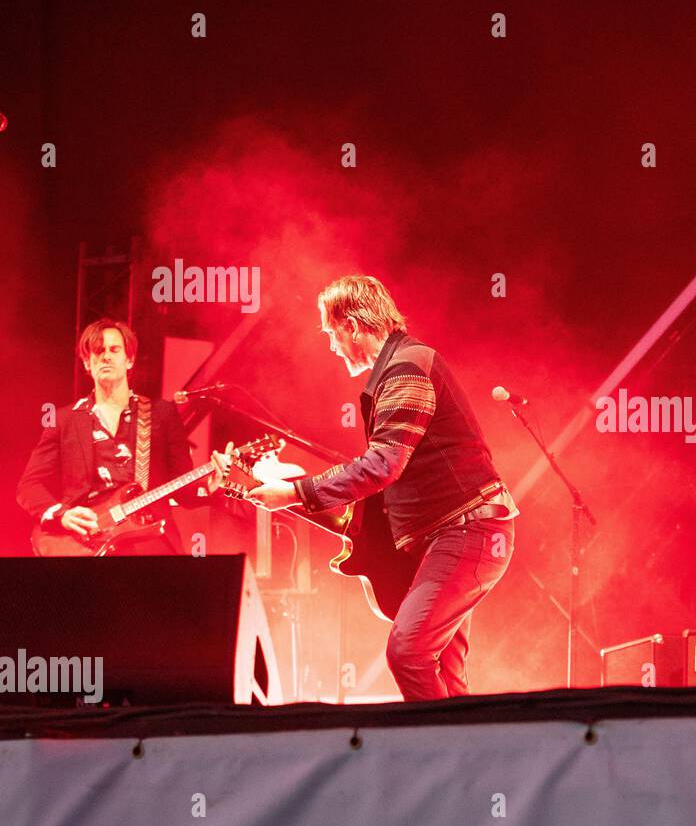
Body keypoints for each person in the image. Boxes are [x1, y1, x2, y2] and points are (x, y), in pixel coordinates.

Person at [217, 275, 517, 701]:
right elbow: (381, 481)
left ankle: (443, 753)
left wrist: (294, 492)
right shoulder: (400, 367)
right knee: (447, 675)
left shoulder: (407, 368)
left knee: (408, 652)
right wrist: (290, 480)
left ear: (354, 325)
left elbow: (382, 466)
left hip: (468, 533)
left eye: (330, 332)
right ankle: (467, 756)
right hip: (463, 534)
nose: (330, 344)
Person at [18, 318, 210, 555]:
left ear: (129, 360)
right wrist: (62, 514)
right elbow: (29, 486)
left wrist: (212, 485)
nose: (106, 356)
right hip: (87, 543)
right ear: (87, 363)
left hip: (150, 541)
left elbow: (184, 489)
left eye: (114, 349)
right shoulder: (64, 420)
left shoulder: (162, 414)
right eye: (98, 351)